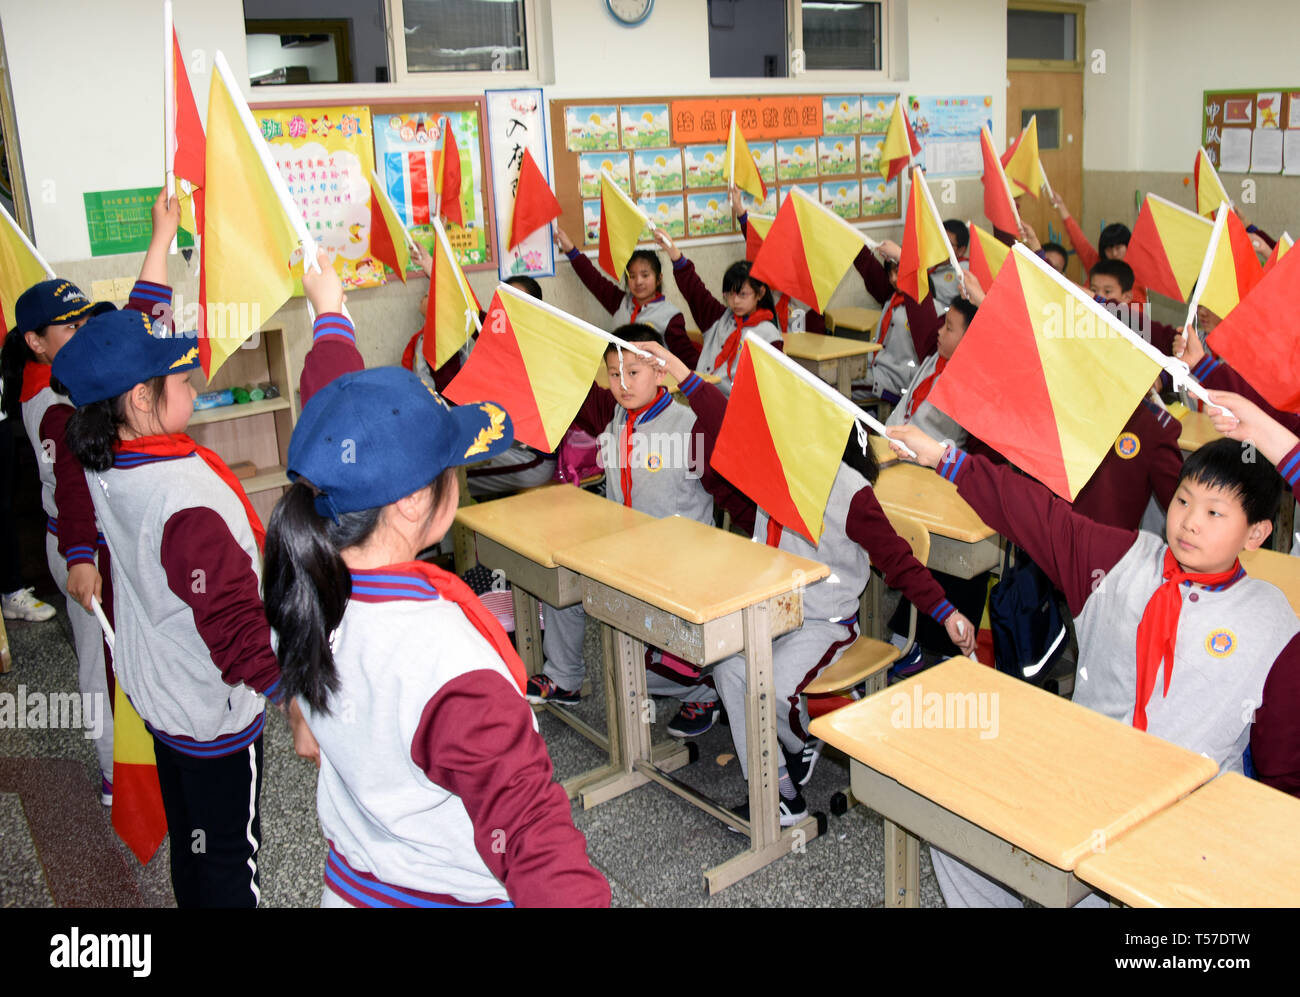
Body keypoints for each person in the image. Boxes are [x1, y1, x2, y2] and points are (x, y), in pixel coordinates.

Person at [265, 251, 610, 908]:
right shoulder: (442, 657)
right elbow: (532, 833)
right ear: (415, 503)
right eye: (454, 462)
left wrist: (331, 310)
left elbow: (335, 411)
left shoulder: (308, 580)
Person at [885, 420, 1300, 905]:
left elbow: (1281, 768)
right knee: (954, 821)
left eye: (1215, 512)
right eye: (1184, 501)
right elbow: (1034, 513)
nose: (1189, 522)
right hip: (1082, 782)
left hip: (1186, 822)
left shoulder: (1274, 625)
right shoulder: (1121, 558)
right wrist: (944, 458)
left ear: (1257, 533)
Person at [53, 273, 294, 908]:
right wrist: (295, 696)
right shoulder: (186, 501)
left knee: (193, 848)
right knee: (229, 860)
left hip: (162, 696)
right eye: (183, 381)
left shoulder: (105, 459)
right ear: (139, 399)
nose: (194, 386)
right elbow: (235, 627)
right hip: (210, 709)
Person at [0, 190, 180, 801]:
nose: (81, 332)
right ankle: (115, 775)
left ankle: (145, 753)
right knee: (100, 663)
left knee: (129, 648)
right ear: (33, 341)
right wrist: (80, 559)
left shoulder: (71, 370)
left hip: (106, 537)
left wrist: (162, 236)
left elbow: (135, 320)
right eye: (67, 326)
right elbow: (74, 486)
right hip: (83, 544)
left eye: (82, 322)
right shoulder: (51, 404)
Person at [704, 426, 979, 826]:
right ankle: (779, 785)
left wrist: (945, 612)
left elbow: (896, 559)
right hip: (769, 608)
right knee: (728, 666)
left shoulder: (849, 491)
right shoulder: (776, 472)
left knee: (774, 685)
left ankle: (796, 745)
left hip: (822, 620)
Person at [526, 327, 732, 731]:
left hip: (680, 566)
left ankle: (705, 689)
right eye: (614, 374)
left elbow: (726, 421)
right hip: (625, 553)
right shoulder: (612, 415)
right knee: (559, 565)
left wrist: (682, 371)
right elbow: (567, 380)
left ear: (659, 372)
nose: (622, 384)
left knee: (631, 669)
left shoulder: (689, 425)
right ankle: (564, 676)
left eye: (633, 372)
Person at [400, 259, 556, 496]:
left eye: (518, 303)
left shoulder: (537, 347)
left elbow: (469, 313)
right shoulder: (499, 336)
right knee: (438, 459)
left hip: (531, 458)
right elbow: (468, 309)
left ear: (535, 310)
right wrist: (436, 272)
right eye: (504, 302)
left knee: (441, 478)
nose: (507, 309)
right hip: (502, 442)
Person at [656, 227, 782, 395]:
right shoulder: (719, 318)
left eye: (742, 294)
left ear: (760, 293)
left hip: (734, 403)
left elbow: (771, 384)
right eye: (730, 294)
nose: (735, 301)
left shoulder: (769, 335)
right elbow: (694, 290)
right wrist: (673, 253)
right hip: (701, 394)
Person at [851, 240, 945, 404]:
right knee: (832, 375)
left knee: (836, 386)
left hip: (898, 381)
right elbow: (869, 268)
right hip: (875, 370)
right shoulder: (892, 299)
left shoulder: (929, 310)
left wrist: (902, 257)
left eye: (898, 271)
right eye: (890, 274)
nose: (894, 279)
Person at [554, 225, 687, 341]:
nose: (638, 282)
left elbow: (686, 362)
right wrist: (571, 250)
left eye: (645, 275)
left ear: (659, 279)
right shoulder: (620, 302)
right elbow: (593, 279)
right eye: (632, 276)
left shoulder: (671, 317)